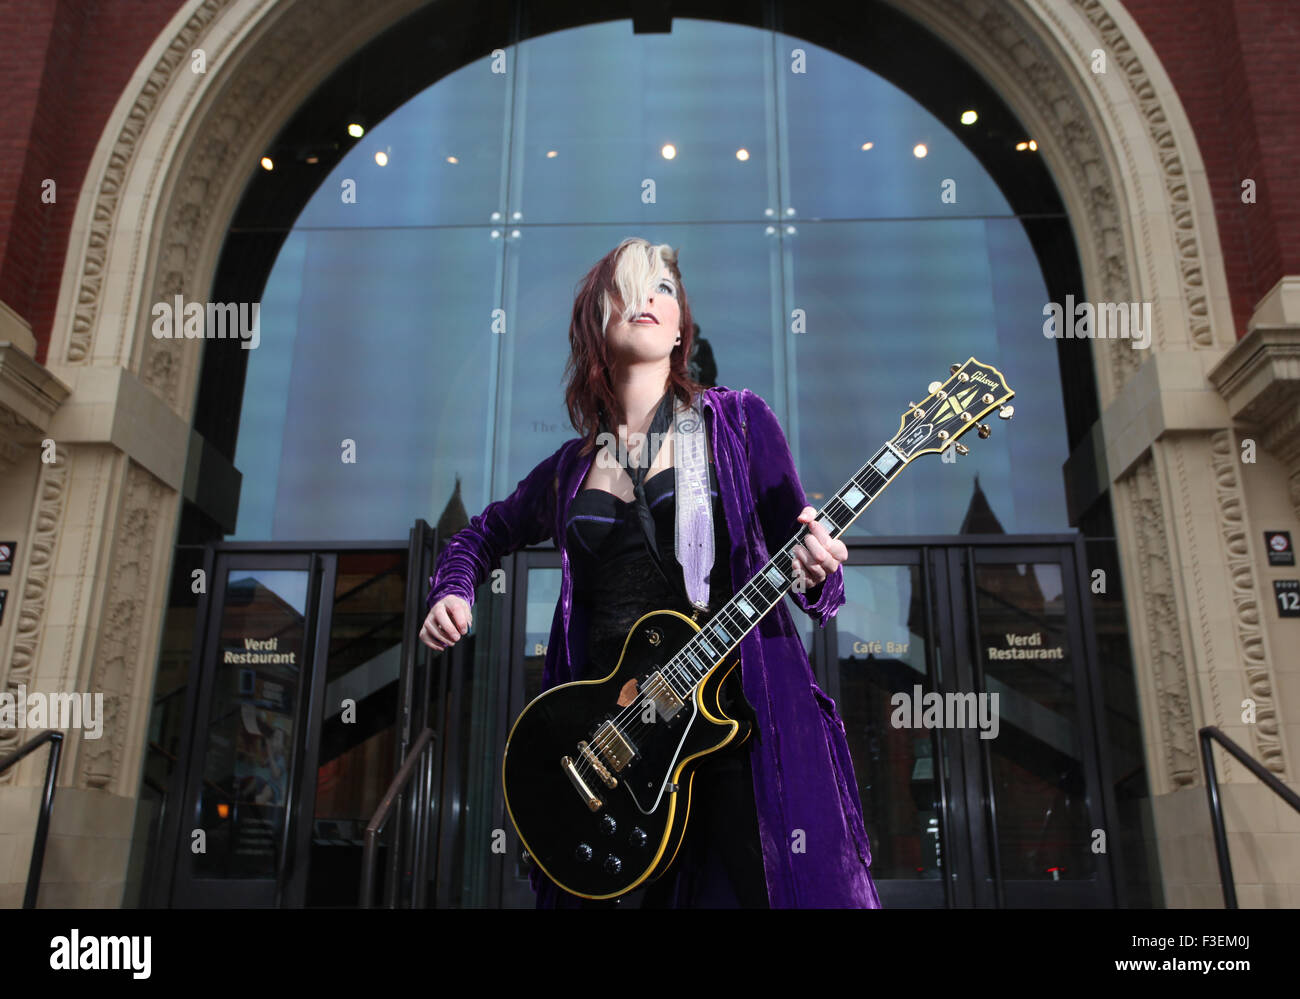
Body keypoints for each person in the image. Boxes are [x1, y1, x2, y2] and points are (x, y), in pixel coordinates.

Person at [420, 237, 880, 908]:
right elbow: (482, 532)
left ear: (679, 330)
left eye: (664, 288)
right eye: (629, 287)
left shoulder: (740, 423)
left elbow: (806, 556)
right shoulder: (570, 467)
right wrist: (453, 589)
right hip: (610, 741)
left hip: (729, 721)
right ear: (595, 323)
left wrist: (815, 568)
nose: (649, 299)